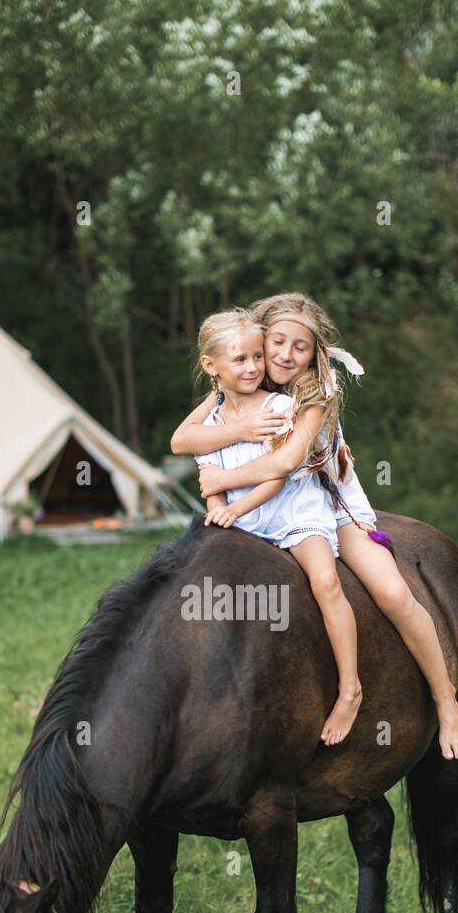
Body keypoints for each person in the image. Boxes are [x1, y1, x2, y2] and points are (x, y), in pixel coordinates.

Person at [172, 292, 458, 760]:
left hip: (325, 502)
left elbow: (288, 460)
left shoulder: (315, 392)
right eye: (278, 343)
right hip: (260, 507)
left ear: (316, 354)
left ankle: (444, 698)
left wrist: (224, 478)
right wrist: (237, 432)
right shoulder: (242, 378)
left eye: (301, 347)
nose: (286, 355)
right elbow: (184, 438)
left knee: (390, 592)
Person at [188, 307, 362, 746]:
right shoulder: (208, 425)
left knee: (325, 583)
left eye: (254, 358)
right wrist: (216, 510)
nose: (252, 367)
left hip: (292, 513)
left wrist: (234, 506)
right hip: (244, 520)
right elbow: (208, 475)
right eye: (240, 360)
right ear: (211, 366)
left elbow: (277, 476)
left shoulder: (280, 406)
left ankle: (349, 688)